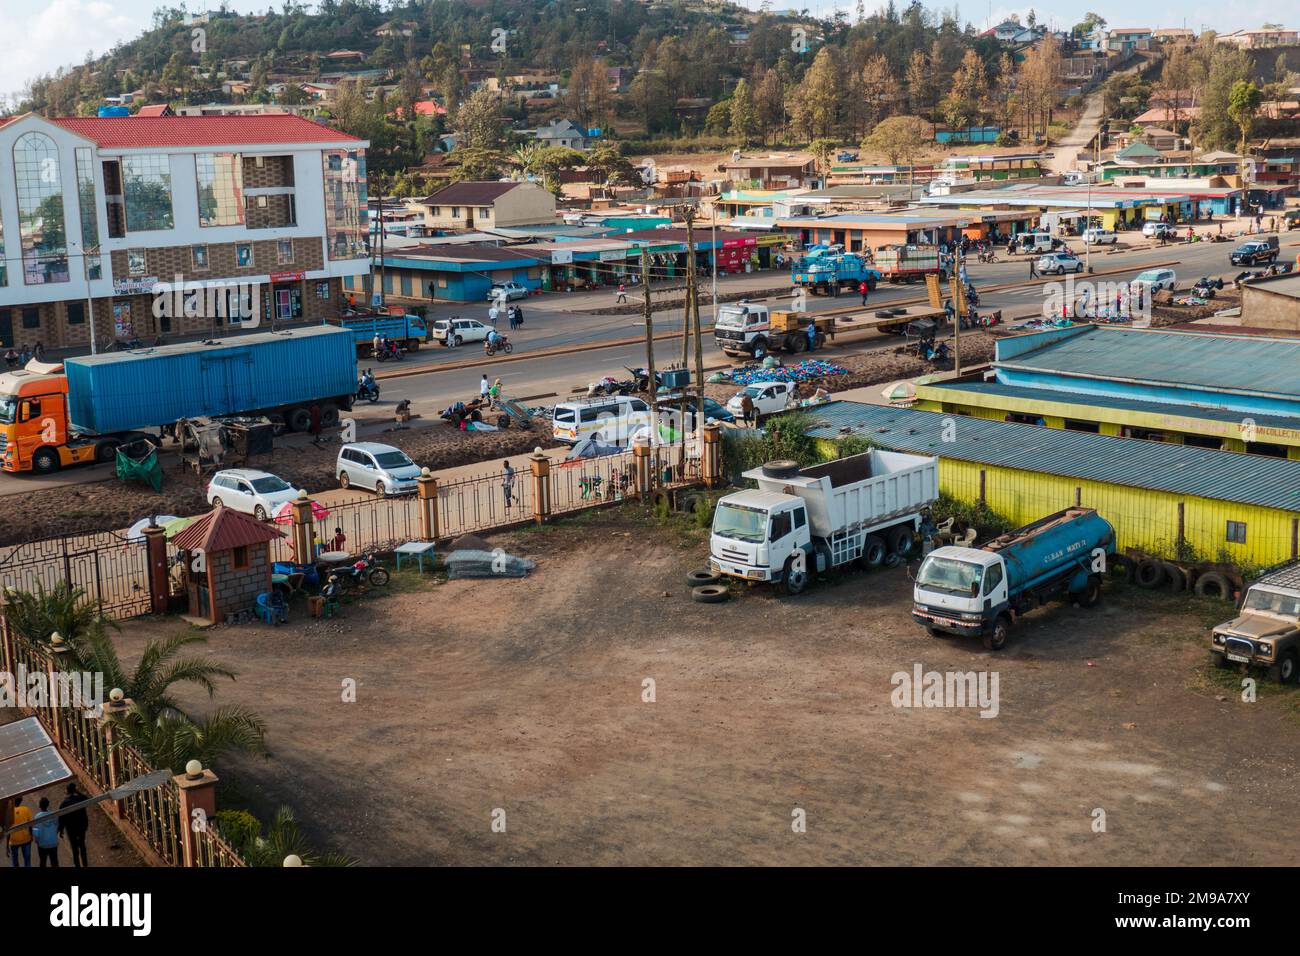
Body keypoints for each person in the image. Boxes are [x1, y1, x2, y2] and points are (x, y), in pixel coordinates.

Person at [32, 798, 59, 867]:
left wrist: (37, 841)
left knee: (42, 862)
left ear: (39, 806)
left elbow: (36, 832)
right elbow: (57, 827)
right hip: (53, 843)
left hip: (42, 844)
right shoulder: (54, 815)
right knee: (54, 862)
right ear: (48, 805)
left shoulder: (37, 816)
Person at [8, 795, 32, 867]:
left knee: (15, 861)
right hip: (26, 839)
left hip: (14, 841)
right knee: (27, 860)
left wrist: (6, 846)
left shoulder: (9, 812)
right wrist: (31, 836)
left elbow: (7, 830)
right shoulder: (26, 809)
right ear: (21, 800)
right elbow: (30, 824)